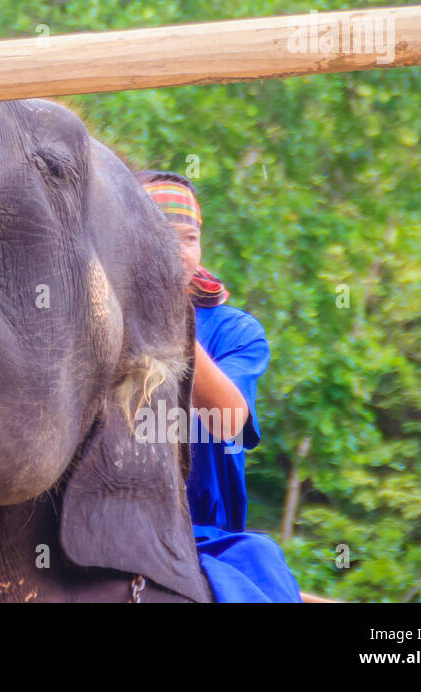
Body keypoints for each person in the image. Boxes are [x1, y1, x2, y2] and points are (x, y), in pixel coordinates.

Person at [137, 169, 303, 603]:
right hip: (105, 521)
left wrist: (167, 317)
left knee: (262, 559)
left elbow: (228, 418)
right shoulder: (94, 315)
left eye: (188, 238)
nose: (178, 251)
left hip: (203, 534)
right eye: (161, 236)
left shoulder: (236, 331)